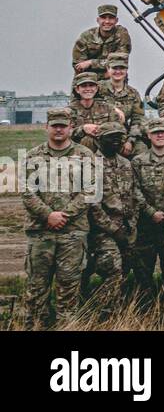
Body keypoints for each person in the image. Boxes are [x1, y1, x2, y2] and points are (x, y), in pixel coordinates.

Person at [21, 109, 95, 328]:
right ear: (47, 127)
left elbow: (90, 190)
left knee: (69, 288)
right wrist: (48, 215)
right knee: (36, 290)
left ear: (71, 128)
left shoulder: (84, 155)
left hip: (72, 233)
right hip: (40, 232)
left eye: (63, 125)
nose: (59, 129)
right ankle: (36, 326)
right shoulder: (33, 155)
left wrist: (64, 215)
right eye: (55, 125)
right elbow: (27, 192)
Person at [81, 121, 135, 315]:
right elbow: (92, 204)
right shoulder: (91, 165)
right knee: (112, 269)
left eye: (119, 137)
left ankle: (117, 308)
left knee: (126, 268)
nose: (116, 141)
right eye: (110, 137)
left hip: (127, 229)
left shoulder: (126, 164)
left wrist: (130, 226)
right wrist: (113, 229)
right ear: (98, 139)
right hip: (101, 231)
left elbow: (132, 196)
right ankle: (107, 313)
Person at [128, 119, 164, 306]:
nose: (160, 135)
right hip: (146, 225)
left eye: (163, 131)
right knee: (143, 272)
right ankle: (145, 309)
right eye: (155, 132)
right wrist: (151, 212)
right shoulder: (138, 162)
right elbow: (134, 190)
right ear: (148, 135)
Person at [72, 2, 131, 88]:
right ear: (98, 20)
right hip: (87, 83)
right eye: (103, 18)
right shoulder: (86, 37)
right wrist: (103, 75)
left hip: (114, 80)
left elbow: (120, 61)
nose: (107, 21)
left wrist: (91, 63)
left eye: (111, 18)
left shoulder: (121, 34)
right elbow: (79, 66)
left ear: (116, 20)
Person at [97, 52, 145, 153]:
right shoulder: (98, 89)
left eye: (121, 68)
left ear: (126, 70)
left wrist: (130, 141)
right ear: (108, 69)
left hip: (123, 135)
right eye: (114, 68)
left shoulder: (133, 93)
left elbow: (138, 120)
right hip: (100, 135)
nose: (118, 71)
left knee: (141, 149)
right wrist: (112, 109)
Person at [69, 73, 114, 152]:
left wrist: (103, 129)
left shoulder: (107, 107)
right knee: (87, 140)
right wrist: (82, 129)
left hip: (105, 148)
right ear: (77, 89)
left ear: (96, 88)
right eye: (84, 86)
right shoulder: (70, 110)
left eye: (91, 85)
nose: (88, 89)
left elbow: (117, 126)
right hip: (79, 152)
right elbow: (64, 133)